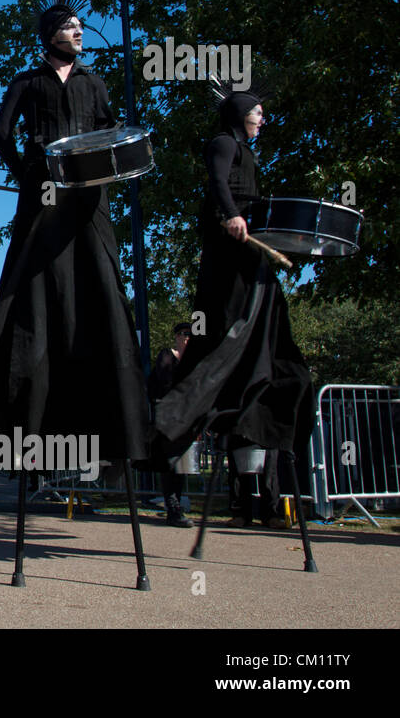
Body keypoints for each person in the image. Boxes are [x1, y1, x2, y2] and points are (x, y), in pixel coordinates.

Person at [0, 0, 148, 468]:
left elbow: (112, 130)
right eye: (71, 26)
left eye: (80, 26)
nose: (79, 31)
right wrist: (27, 168)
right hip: (43, 199)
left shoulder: (94, 82)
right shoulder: (27, 81)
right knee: (32, 292)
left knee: (100, 287)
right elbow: (1, 132)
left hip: (90, 203)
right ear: (50, 34)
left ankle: (106, 409)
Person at [151, 89, 313, 529]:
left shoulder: (247, 149)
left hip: (251, 254)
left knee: (274, 335)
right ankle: (192, 408)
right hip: (230, 249)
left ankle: (261, 403)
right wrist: (230, 215)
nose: (262, 118)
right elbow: (219, 182)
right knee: (226, 327)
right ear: (241, 115)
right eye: (258, 112)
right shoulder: (223, 143)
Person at [148, 321, 194, 526]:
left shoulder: (194, 363)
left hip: (187, 420)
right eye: (182, 334)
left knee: (182, 465)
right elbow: (165, 383)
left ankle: (176, 505)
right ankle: (173, 507)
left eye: (189, 334)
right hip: (168, 419)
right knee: (170, 463)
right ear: (176, 337)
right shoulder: (168, 356)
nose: (186, 337)